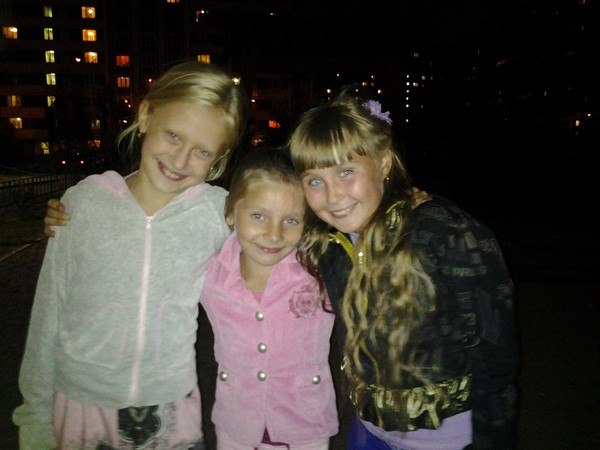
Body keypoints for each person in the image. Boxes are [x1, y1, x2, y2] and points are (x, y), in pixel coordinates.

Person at [13, 60, 248, 450]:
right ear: (145, 116)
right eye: (173, 135)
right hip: (82, 403)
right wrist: (35, 419)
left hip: (171, 408)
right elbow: (49, 313)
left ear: (217, 159)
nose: (180, 160)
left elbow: (274, 244)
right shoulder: (83, 204)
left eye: (202, 151)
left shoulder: (218, 214)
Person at [287, 92, 518, 449]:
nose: (332, 196)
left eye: (346, 172)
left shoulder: (442, 234)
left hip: (444, 439)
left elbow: (494, 356)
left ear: (383, 163)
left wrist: (492, 440)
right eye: (315, 180)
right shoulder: (327, 244)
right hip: (369, 431)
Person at [200, 147, 338, 449]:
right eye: (259, 216)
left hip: (306, 428)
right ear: (230, 213)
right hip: (236, 426)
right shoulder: (210, 275)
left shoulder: (321, 272)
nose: (274, 234)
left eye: (291, 221)